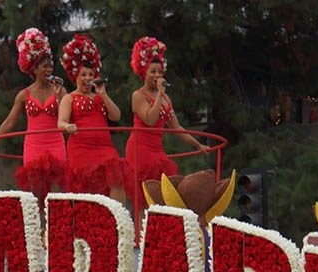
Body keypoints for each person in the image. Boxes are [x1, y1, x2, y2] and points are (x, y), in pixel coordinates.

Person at [0, 27, 67, 199]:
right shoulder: (24, 95)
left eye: (51, 66)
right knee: (37, 192)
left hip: (55, 143)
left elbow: (66, 117)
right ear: (34, 69)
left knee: (57, 192)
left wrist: (59, 96)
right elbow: (9, 122)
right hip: (34, 146)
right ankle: (39, 218)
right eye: (44, 67)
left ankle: (56, 218)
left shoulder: (60, 90)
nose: (49, 70)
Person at [125, 36, 209, 187]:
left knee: (167, 187)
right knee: (147, 191)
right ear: (144, 72)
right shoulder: (138, 95)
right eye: (153, 72)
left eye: (160, 72)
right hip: (140, 149)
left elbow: (176, 128)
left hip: (157, 149)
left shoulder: (166, 98)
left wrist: (198, 145)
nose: (157, 75)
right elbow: (150, 120)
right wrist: (159, 94)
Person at [57, 34, 131, 199]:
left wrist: (103, 94)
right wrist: (68, 126)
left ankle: (118, 214)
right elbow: (60, 122)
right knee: (86, 186)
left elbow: (116, 116)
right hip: (81, 147)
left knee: (116, 179)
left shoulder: (99, 96)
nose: (88, 78)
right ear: (76, 76)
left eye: (91, 75)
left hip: (105, 147)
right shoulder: (69, 97)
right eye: (83, 74)